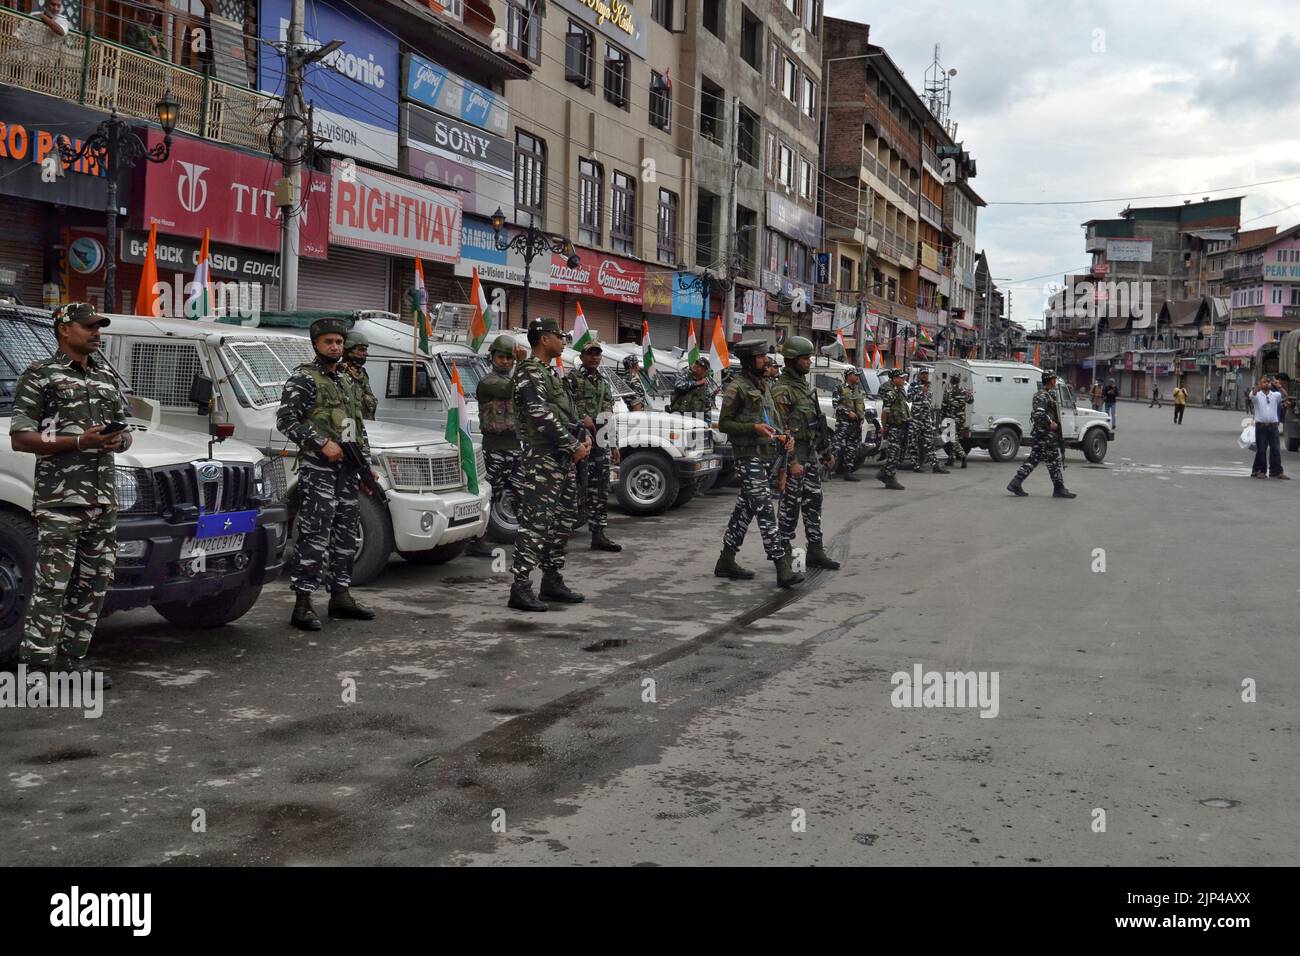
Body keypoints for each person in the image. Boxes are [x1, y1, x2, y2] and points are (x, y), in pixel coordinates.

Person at [8, 303, 129, 687]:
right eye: (89, 326)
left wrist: (119, 440)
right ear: (64, 329)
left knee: (93, 586)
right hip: (60, 500)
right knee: (52, 586)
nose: (97, 333)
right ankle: (36, 671)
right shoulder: (41, 375)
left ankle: (69, 662)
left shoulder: (105, 377)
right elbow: (21, 438)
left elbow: (125, 431)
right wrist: (78, 442)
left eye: (99, 327)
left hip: (102, 499)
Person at [277, 318, 376, 629]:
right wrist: (321, 443)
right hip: (319, 469)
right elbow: (286, 421)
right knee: (314, 533)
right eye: (328, 342)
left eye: (339, 342)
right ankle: (303, 603)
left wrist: (365, 467)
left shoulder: (345, 380)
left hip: (347, 470)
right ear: (316, 345)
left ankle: (340, 596)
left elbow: (354, 426)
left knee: (346, 534)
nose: (335, 347)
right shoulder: (304, 378)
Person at [508, 317, 591, 611]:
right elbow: (538, 413)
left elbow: (567, 413)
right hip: (543, 459)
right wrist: (572, 445)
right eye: (559, 335)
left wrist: (583, 438)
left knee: (563, 520)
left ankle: (551, 580)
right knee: (536, 522)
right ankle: (520, 587)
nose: (563, 340)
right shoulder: (529, 371)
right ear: (544, 339)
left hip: (563, 458)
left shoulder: (550, 373)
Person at [714, 339, 803, 588]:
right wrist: (753, 428)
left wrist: (784, 437)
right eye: (761, 357)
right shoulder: (736, 387)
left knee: (745, 509)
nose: (766, 361)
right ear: (749, 360)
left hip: (767, 456)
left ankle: (726, 560)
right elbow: (724, 424)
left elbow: (772, 421)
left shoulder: (764, 386)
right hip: (747, 456)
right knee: (765, 509)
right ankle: (782, 567)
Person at [770, 336, 840, 571]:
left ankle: (815, 550)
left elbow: (816, 424)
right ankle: (783, 551)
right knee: (790, 506)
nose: (809, 361)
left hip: (809, 456)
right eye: (805, 358)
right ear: (792, 360)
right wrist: (792, 462)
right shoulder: (782, 390)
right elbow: (780, 430)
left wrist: (826, 453)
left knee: (814, 502)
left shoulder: (804, 388)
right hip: (792, 458)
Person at [466, 334, 523, 558]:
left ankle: (528, 540)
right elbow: (509, 390)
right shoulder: (488, 382)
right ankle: (476, 540)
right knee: (488, 494)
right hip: (494, 448)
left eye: (509, 358)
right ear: (492, 358)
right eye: (501, 357)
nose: (506, 362)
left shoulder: (513, 380)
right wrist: (522, 364)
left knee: (520, 493)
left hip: (515, 447)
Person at [567, 340, 622, 552]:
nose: (594, 357)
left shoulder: (603, 382)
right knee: (576, 486)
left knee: (600, 488)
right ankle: (562, 533)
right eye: (590, 354)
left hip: (601, 441)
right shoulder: (572, 379)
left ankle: (598, 534)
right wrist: (582, 417)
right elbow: (564, 406)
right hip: (580, 440)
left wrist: (614, 445)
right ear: (582, 357)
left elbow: (609, 415)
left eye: (597, 354)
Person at [1007, 369, 1076, 499]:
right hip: (1046, 435)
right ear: (1051, 380)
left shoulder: (1048, 394)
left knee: (1034, 459)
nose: (1055, 381)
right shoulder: (1042, 395)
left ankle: (1015, 482)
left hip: (1043, 434)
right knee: (1053, 461)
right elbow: (1039, 414)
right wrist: (1051, 423)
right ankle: (1059, 488)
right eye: (1054, 379)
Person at [907, 368, 948, 474]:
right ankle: (916, 466)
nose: (925, 375)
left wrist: (932, 418)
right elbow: (909, 398)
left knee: (929, 442)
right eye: (923, 374)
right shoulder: (913, 386)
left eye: (926, 374)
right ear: (919, 375)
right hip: (916, 419)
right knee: (913, 443)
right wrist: (921, 392)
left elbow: (929, 402)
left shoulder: (929, 386)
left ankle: (935, 465)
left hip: (926, 419)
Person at [829, 368, 867, 481]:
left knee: (852, 448)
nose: (857, 377)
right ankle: (828, 470)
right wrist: (847, 412)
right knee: (836, 446)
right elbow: (835, 405)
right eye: (855, 375)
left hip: (855, 424)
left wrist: (861, 420)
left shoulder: (857, 389)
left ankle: (848, 472)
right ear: (849, 376)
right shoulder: (839, 388)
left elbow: (861, 406)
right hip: (843, 423)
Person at [876, 367, 910, 490]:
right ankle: (889, 478)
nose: (903, 379)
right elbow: (885, 411)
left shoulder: (901, 391)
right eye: (901, 377)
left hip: (902, 425)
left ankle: (884, 473)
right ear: (894, 379)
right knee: (893, 453)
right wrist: (883, 427)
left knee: (899, 453)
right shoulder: (890, 394)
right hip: (894, 426)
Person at [1248, 376, 1288, 479]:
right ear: (1260, 384)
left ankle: (1276, 472)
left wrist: (1279, 387)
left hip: (1273, 426)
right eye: (1264, 382)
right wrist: (1258, 386)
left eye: (1268, 382)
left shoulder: (1275, 395)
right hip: (1261, 426)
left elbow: (1285, 396)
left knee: (1275, 449)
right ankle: (1260, 471)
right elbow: (1252, 395)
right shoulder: (1257, 395)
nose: (1267, 384)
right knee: (1261, 449)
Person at [340, 330, 377, 421]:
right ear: (348, 351)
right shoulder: (338, 374)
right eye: (361, 350)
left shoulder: (362, 373)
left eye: (366, 350)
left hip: (367, 425)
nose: (366, 353)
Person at [667, 355, 715, 425]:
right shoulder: (685, 373)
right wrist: (697, 383)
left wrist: (707, 423)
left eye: (700, 365)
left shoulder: (705, 385)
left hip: (696, 420)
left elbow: (707, 406)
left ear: (705, 370)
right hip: (679, 416)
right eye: (696, 363)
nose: (696, 365)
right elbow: (678, 385)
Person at [940, 371, 974, 469]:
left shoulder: (948, 392)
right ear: (958, 381)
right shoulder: (964, 391)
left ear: (951, 381)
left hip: (951, 419)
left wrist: (942, 418)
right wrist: (968, 394)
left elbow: (944, 406)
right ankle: (951, 458)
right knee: (955, 439)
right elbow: (971, 401)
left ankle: (963, 456)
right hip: (961, 419)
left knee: (953, 439)